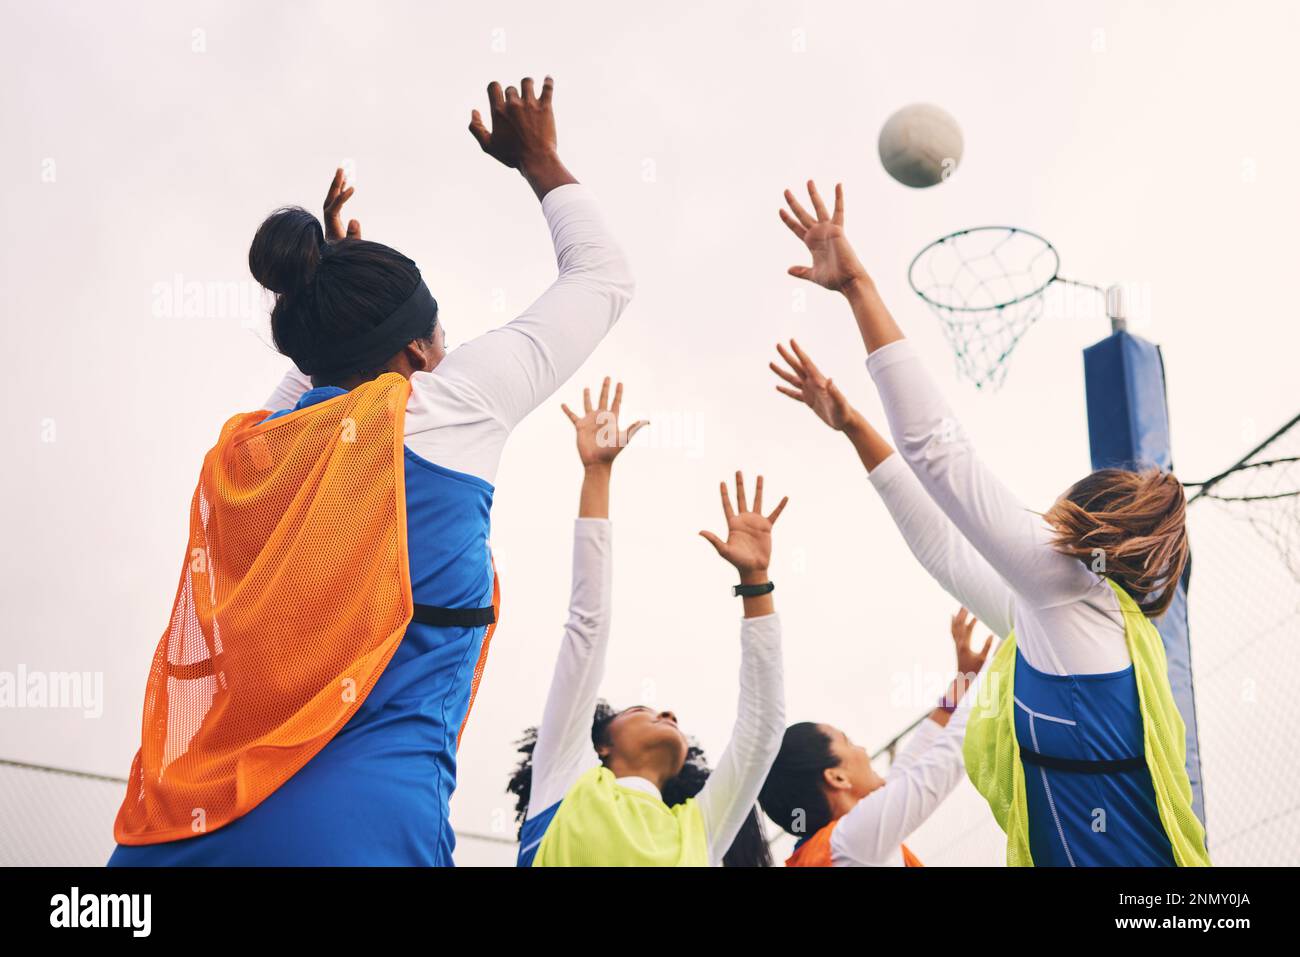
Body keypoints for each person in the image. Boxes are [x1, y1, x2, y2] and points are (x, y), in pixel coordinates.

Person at [109, 77, 634, 866]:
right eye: (442, 337)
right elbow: (603, 276)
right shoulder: (443, 406)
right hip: (355, 835)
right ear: (416, 354)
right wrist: (540, 161)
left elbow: (314, 384)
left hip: (176, 833)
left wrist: (330, 277)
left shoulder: (244, 457)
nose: (448, 353)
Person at [772, 180, 1209, 867]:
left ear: (1077, 518)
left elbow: (938, 453)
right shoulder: (1064, 616)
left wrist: (858, 285)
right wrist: (854, 426)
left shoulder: (1062, 586)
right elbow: (942, 544)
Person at [507, 379, 785, 866]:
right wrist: (597, 473)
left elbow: (762, 728)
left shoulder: (699, 828)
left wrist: (756, 580)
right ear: (601, 747)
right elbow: (586, 627)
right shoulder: (565, 780)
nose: (669, 714)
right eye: (641, 709)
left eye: (649, 708)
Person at [761, 608, 990, 866]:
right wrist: (1014, 646)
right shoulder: (849, 842)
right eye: (847, 742)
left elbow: (915, 761)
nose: (862, 749)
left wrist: (963, 684)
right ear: (836, 777)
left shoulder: (832, 847)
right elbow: (943, 761)